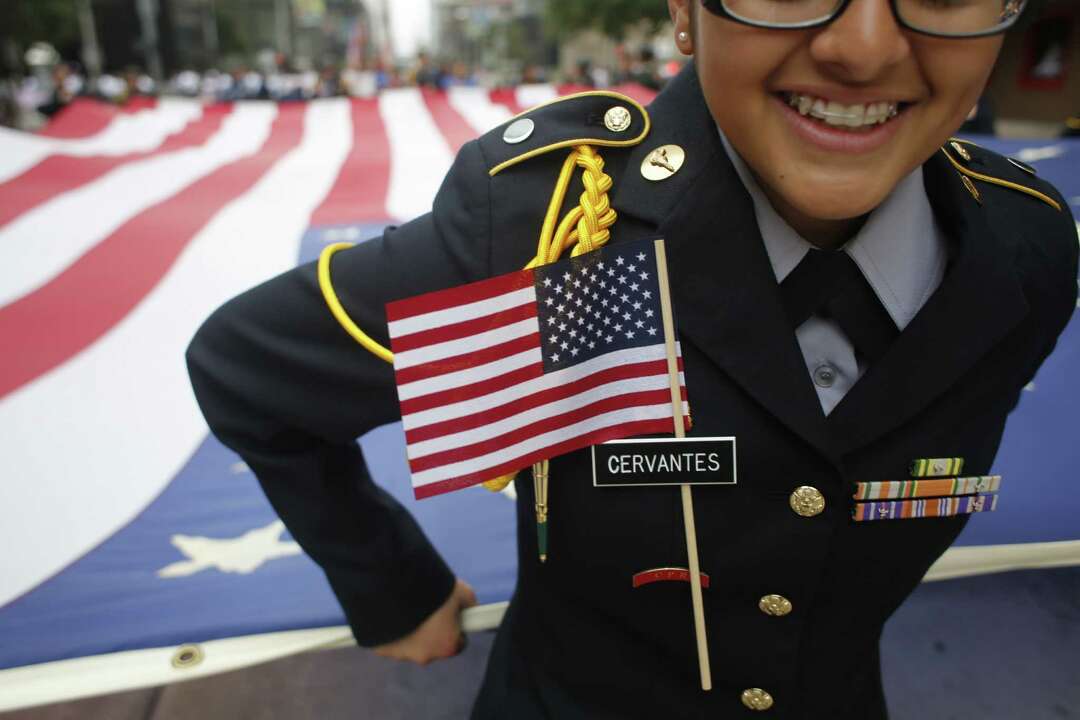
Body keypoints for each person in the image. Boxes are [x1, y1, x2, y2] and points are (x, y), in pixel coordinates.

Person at [186, 0, 1077, 717]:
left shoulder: (1025, 255)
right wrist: (389, 582)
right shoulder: (557, 230)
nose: (865, 46)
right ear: (684, 12)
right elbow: (247, 373)